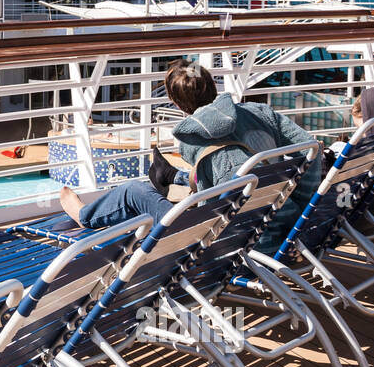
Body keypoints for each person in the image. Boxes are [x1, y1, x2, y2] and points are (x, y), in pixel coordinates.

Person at [59, 61, 322, 253]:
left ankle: (85, 215)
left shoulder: (206, 145)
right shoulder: (258, 111)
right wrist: (303, 208)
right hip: (291, 220)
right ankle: (174, 176)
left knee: (133, 191)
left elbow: (224, 211)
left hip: (236, 241)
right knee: (213, 178)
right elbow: (309, 147)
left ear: (175, 102)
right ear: (212, 86)